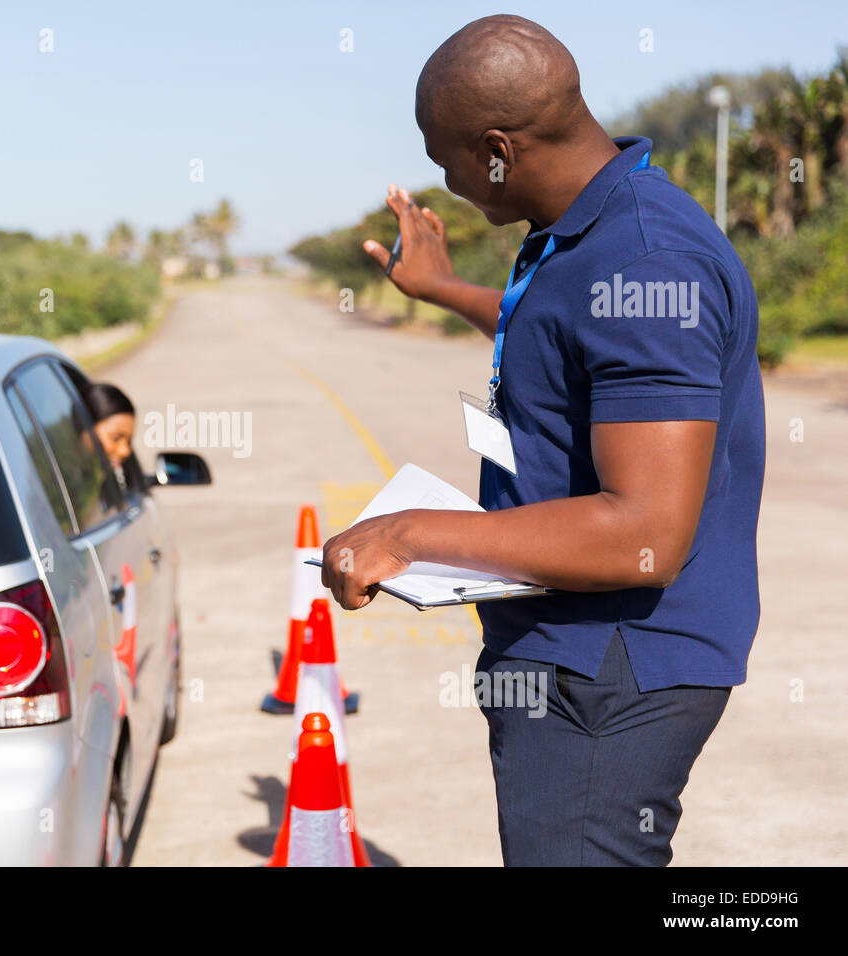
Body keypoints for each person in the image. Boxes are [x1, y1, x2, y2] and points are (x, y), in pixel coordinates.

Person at [319, 15, 765, 866]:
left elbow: (645, 535)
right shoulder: (588, 236)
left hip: (610, 670)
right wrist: (449, 291)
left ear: (496, 147)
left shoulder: (644, 262)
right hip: (576, 653)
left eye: (443, 153)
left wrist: (406, 534)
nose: (443, 179)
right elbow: (569, 338)